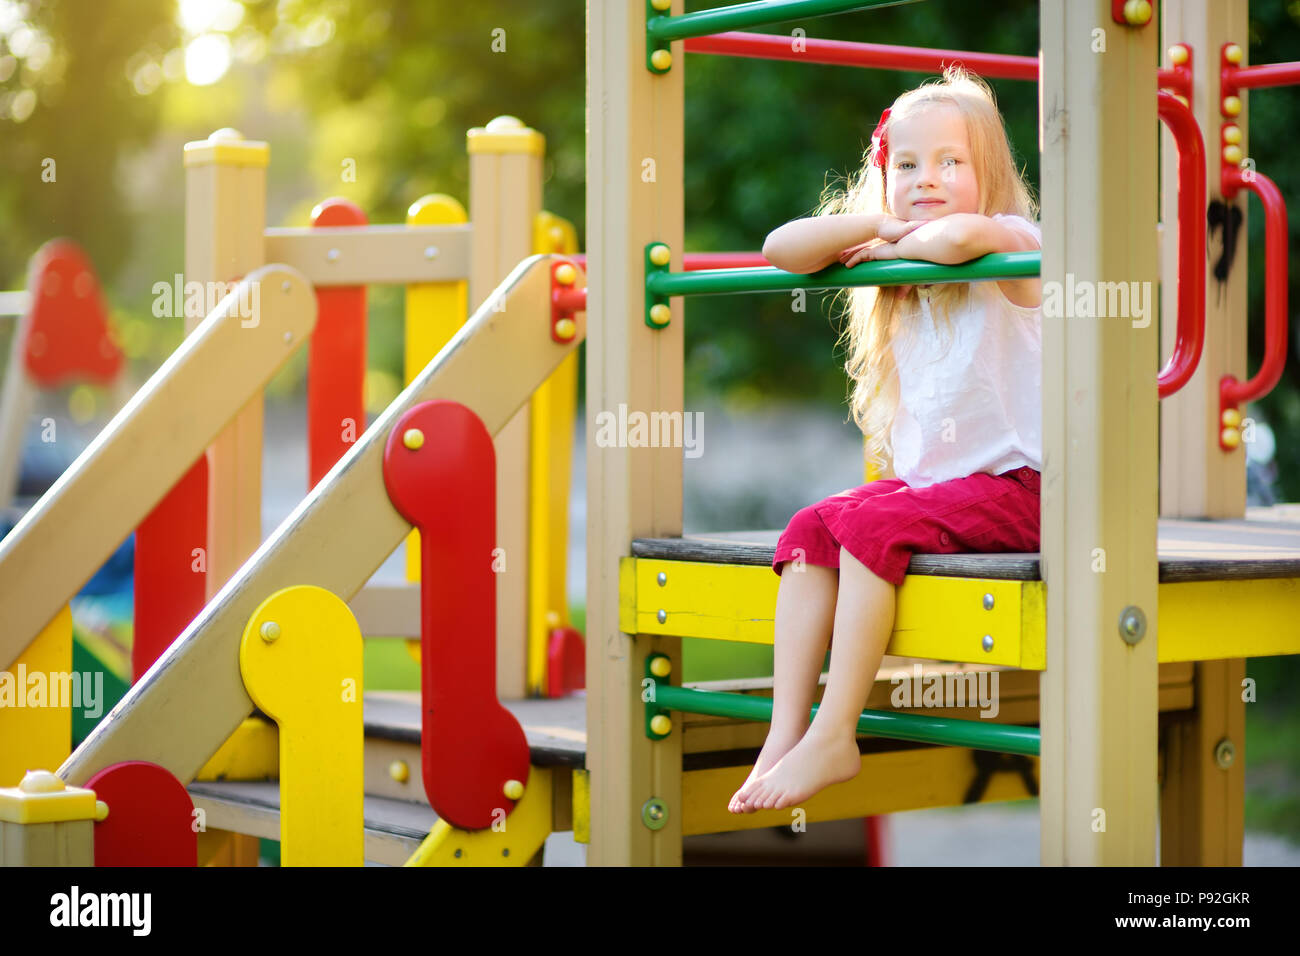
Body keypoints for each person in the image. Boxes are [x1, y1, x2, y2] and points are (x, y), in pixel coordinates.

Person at [730, 67, 1042, 814]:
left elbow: (968, 233)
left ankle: (838, 731)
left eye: (949, 162)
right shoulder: (894, 255)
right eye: (906, 164)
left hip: (1029, 490)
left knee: (870, 522)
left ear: (988, 172)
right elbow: (782, 246)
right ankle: (785, 733)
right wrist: (878, 226)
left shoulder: (1018, 244)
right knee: (810, 527)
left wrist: (906, 238)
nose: (925, 178)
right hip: (943, 494)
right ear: (883, 172)